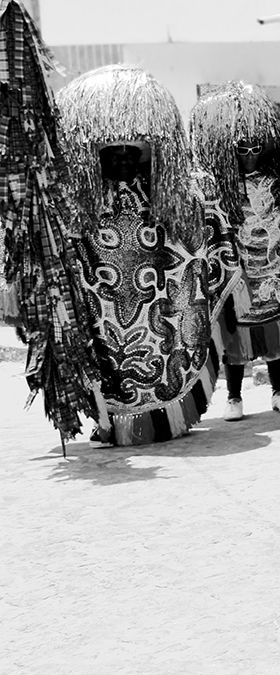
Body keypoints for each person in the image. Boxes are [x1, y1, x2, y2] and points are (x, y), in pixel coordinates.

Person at [55, 65, 241, 447]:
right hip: (103, 313)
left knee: (162, 357)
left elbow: (192, 241)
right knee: (105, 366)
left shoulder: (166, 195)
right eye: (113, 152)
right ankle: (106, 424)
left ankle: (167, 421)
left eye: (130, 151)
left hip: (158, 311)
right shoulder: (82, 205)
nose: (123, 159)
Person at [189, 82, 280, 422]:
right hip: (238, 271)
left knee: (274, 331)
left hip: (272, 267)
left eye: (256, 148)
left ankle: (279, 391)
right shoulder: (219, 187)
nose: (250, 155)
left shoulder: (278, 183)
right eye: (242, 149)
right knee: (237, 337)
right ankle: (234, 397)